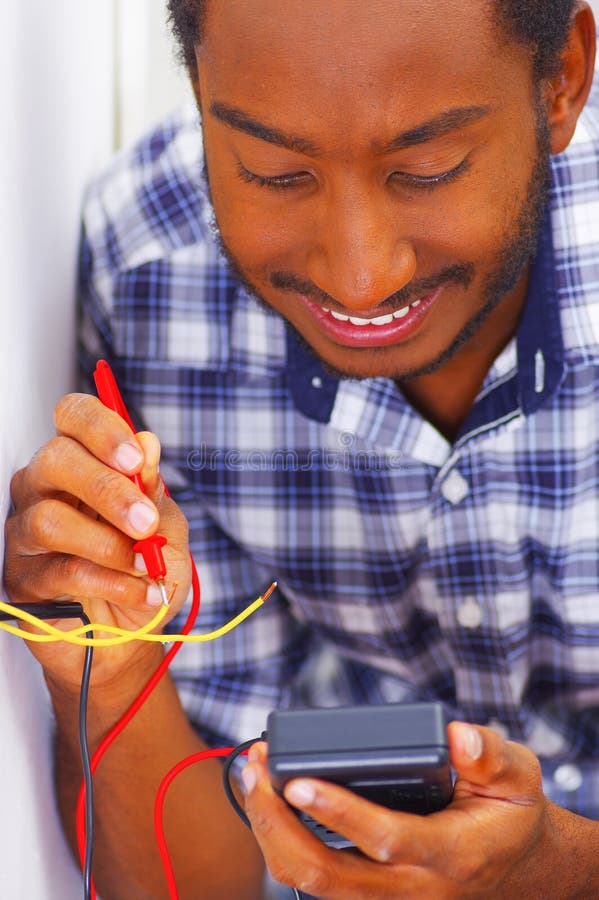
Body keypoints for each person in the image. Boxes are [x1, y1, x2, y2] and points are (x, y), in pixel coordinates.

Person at [4, 0, 599, 896]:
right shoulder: (151, 283)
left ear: (560, 83)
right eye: (275, 172)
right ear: (201, 94)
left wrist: (557, 869)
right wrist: (111, 662)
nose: (360, 276)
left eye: (427, 168)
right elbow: (198, 882)